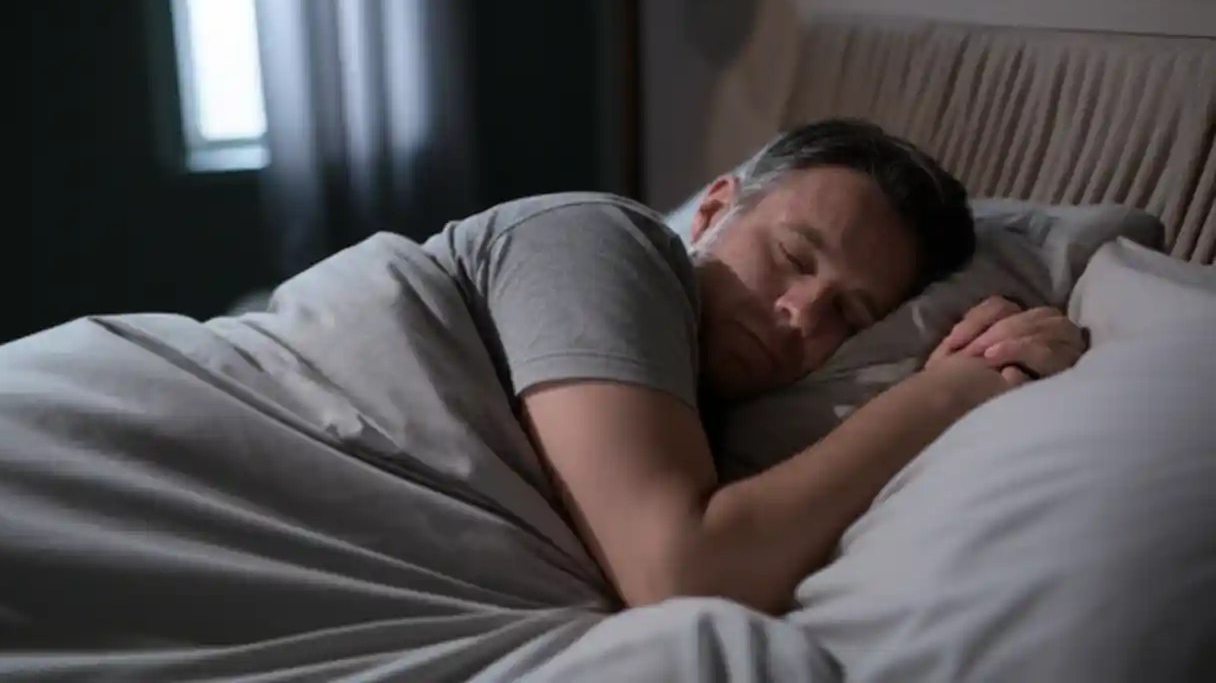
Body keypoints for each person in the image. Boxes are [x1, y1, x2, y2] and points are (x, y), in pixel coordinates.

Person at [424, 118, 1087, 614]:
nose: (801, 312)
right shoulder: (595, 238)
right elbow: (684, 574)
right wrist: (945, 394)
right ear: (712, 209)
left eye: (849, 316)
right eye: (794, 258)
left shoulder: (704, 431)